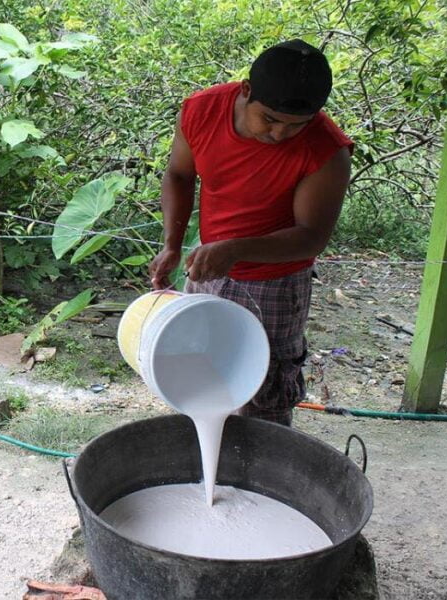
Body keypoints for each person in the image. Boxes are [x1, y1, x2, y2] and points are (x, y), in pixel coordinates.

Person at [148, 39, 353, 426]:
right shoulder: (202, 110)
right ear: (245, 91)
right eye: (270, 119)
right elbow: (179, 173)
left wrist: (236, 250)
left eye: (295, 126)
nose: (278, 135)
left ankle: (257, 473)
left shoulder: (326, 151)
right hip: (208, 266)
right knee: (199, 373)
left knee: (264, 388)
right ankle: (206, 471)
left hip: (275, 283)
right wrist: (172, 245)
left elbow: (311, 236)